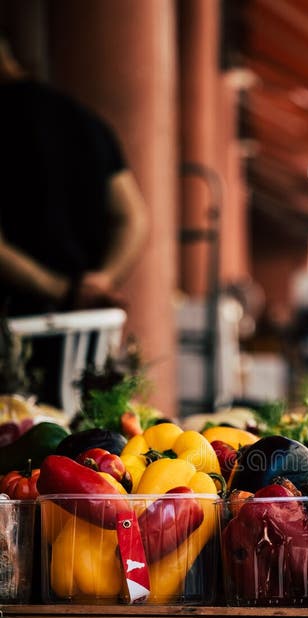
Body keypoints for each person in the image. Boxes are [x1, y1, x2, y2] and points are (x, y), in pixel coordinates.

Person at [0, 33, 149, 405]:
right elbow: (133, 217)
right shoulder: (82, 120)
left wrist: (62, 290)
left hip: (13, 342)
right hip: (86, 336)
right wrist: (102, 281)